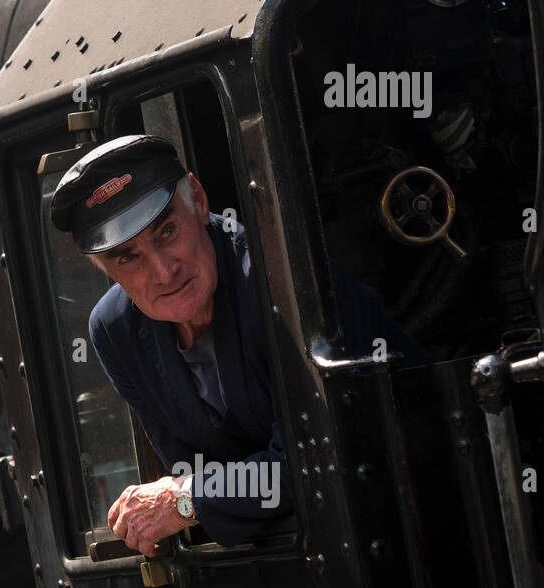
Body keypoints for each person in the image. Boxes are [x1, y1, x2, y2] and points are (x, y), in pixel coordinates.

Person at [49, 134, 430, 554]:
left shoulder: (281, 279)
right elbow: (195, 471)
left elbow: (316, 459)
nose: (163, 271)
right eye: (127, 257)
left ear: (198, 198)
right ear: (107, 270)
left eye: (168, 230)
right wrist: (204, 496)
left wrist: (187, 500)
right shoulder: (114, 330)